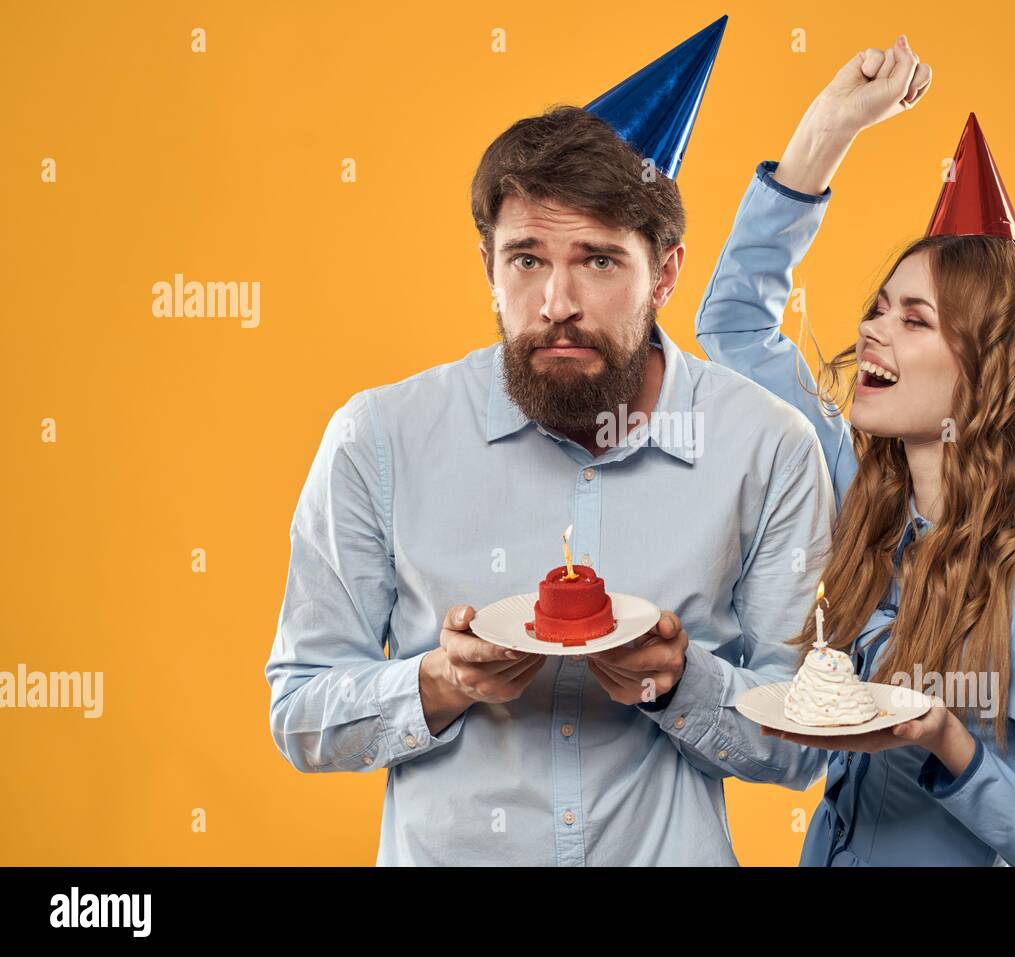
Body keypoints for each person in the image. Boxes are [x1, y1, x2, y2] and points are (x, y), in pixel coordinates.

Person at [264, 18, 834, 866]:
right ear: (487, 266)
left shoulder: (767, 447)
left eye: (599, 261)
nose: (557, 301)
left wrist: (682, 683)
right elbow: (301, 713)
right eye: (526, 259)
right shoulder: (379, 437)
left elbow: (804, 738)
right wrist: (438, 683)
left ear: (666, 272)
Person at [695, 34, 1015, 865]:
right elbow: (734, 326)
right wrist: (829, 129)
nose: (869, 330)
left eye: (913, 319)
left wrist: (950, 746)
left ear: (989, 376)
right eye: (880, 306)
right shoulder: (856, 487)